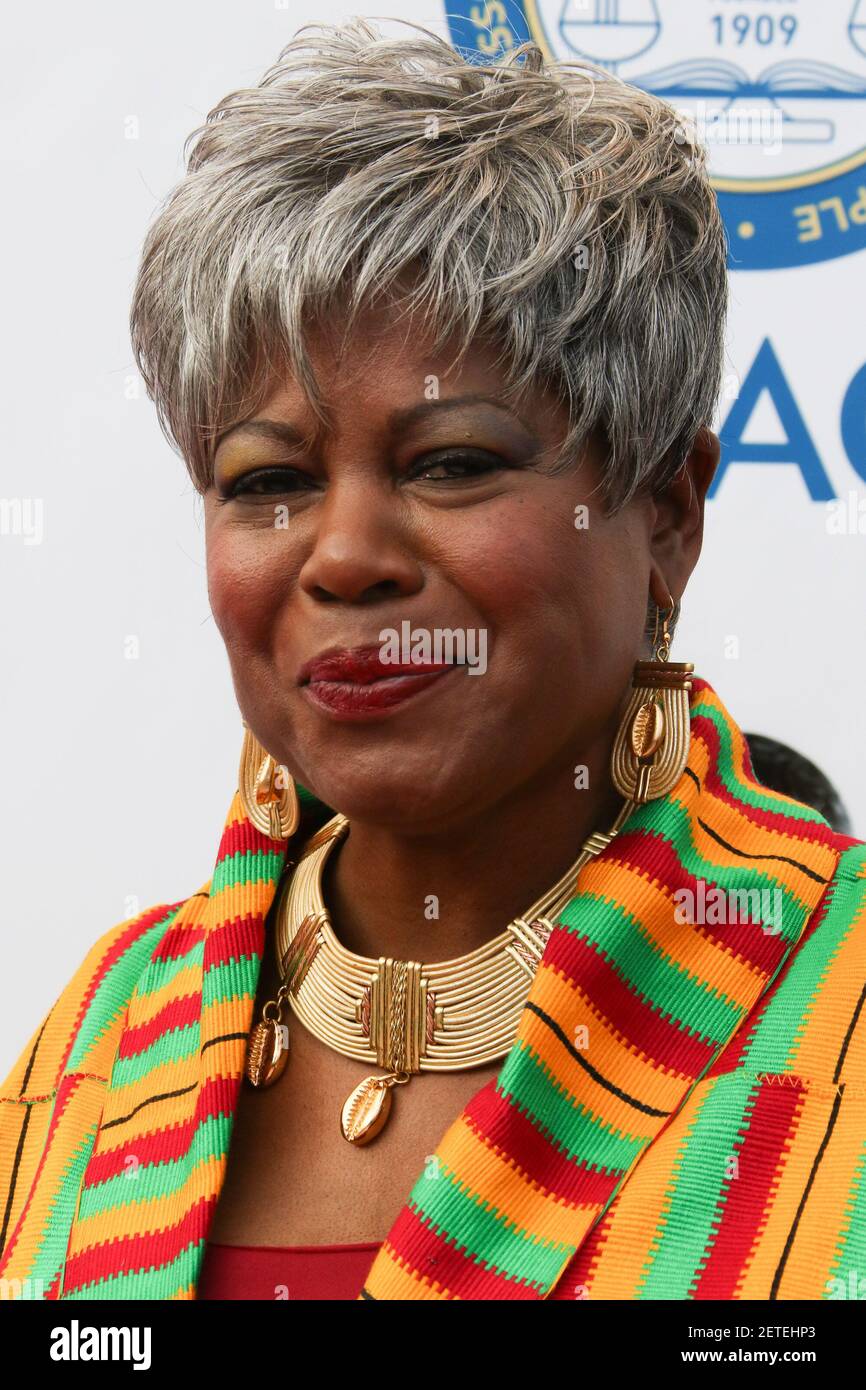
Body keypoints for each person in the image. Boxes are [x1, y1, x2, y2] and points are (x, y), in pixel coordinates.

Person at [2, 18, 864, 1303]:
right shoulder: (99, 1035)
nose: (343, 557)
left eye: (451, 462)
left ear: (667, 513)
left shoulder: (834, 994)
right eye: (269, 480)